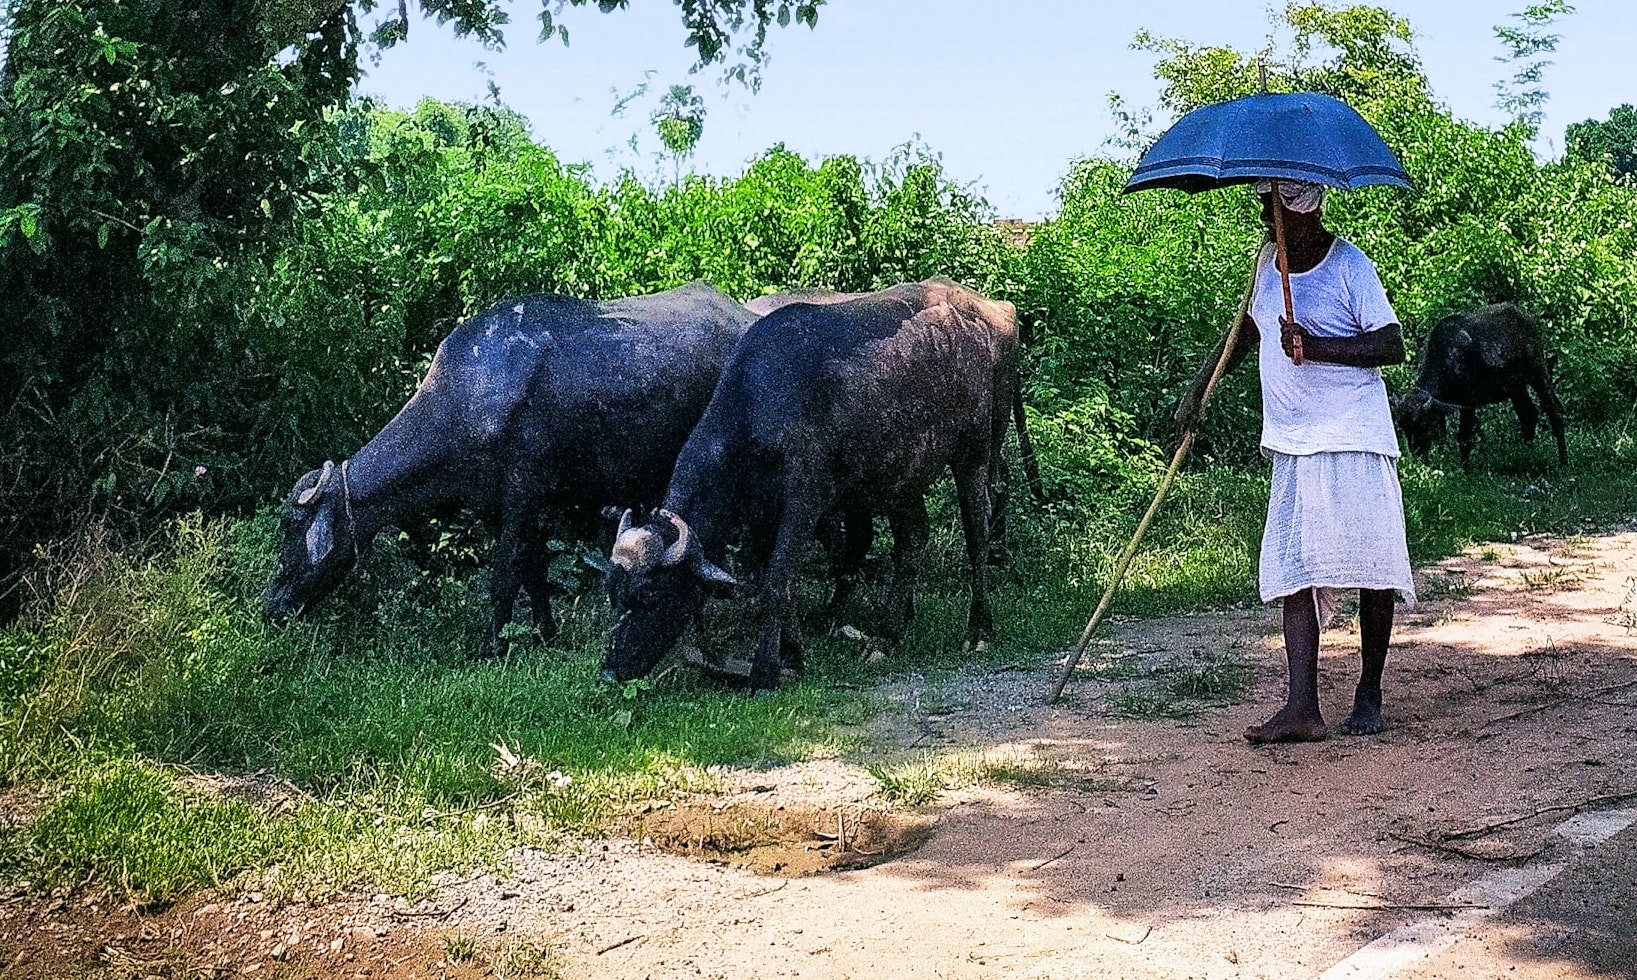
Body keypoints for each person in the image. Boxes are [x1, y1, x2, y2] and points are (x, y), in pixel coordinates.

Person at [1174, 179, 1415, 744]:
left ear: (1301, 208)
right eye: (1264, 203)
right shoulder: (1266, 264)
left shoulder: (1350, 266)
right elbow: (1245, 332)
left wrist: (1318, 345)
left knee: (1372, 565)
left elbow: (1391, 345)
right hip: (1293, 440)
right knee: (1296, 568)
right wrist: (1198, 390)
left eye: (1273, 205)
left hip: (1354, 436)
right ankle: (1303, 707)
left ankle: (1369, 691)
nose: (1265, 214)